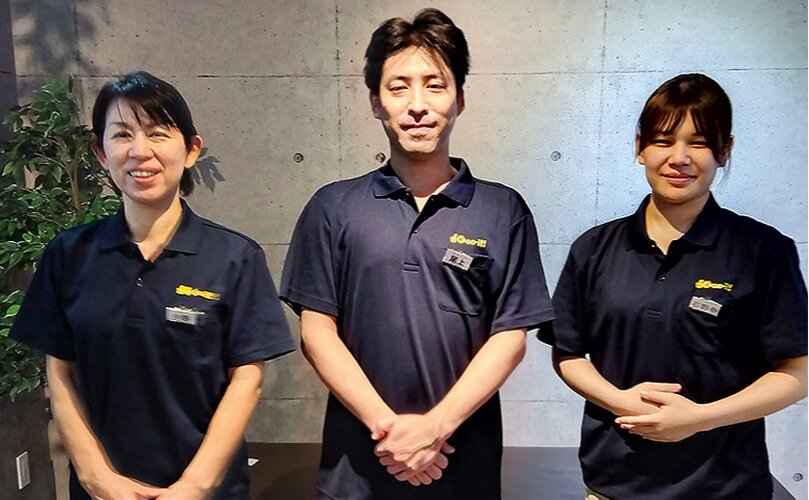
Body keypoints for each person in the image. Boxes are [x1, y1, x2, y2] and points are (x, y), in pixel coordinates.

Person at [280, 8, 553, 499]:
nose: (418, 106)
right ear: (375, 102)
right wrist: (389, 432)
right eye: (399, 87)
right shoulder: (333, 207)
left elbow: (510, 337)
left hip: (463, 467)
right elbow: (317, 332)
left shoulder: (502, 210)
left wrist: (435, 428)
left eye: (435, 85)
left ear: (459, 99)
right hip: (355, 470)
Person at [10, 71, 295, 499]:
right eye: (122, 134)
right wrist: (96, 478)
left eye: (158, 133)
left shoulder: (234, 256)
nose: (140, 151)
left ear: (191, 150)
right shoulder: (69, 254)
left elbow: (247, 378)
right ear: (101, 153)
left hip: (208, 491)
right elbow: (60, 372)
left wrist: (194, 486)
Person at [540, 73, 808, 499]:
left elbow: (797, 372)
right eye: (663, 140)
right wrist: (619, 400)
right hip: (614, 485)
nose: (679, 158)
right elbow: (568, 353)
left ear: (724, 150)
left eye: (698, 142)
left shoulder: (764, 250)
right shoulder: (594, 248)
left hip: (726, 487)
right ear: (640, 147)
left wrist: (700, 418)